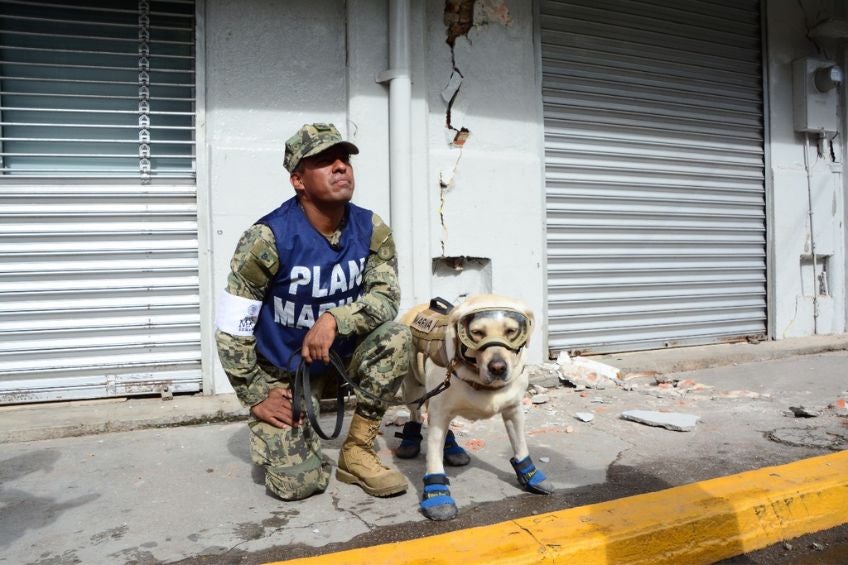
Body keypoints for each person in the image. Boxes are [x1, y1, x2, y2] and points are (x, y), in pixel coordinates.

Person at [215, 123, 411, 501]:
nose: (341, 168)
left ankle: (356, 452)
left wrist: (335, 318)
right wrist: (256, 395)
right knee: (299, 485)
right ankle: (292, 444)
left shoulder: (371, 228)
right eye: (324, 161)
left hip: (341, 363)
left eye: (344, 159)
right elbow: (233, 325)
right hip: (286, 373)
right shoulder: (267, 238)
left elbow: (386, 299)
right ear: (298, 180)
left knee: (398, 337)